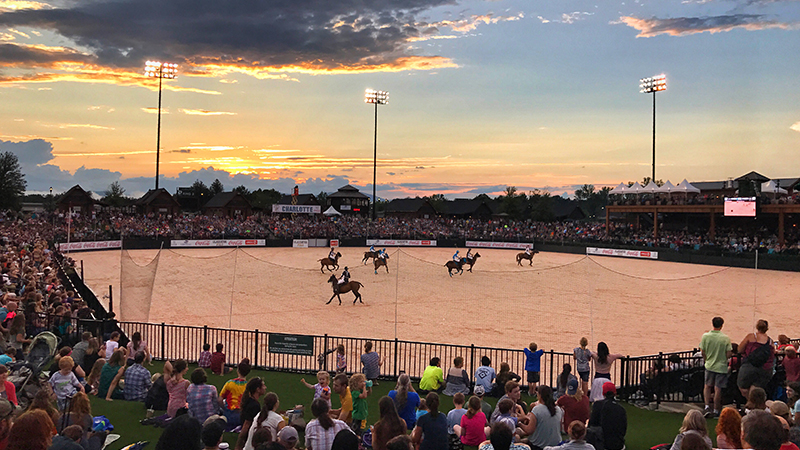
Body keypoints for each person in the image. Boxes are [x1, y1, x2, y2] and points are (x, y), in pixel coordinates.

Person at [699, 316, 732, 418]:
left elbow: (702, 351)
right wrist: (723, 359)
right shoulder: (725, 338)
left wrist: (706, 359)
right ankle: (716, 409)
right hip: (721, 366)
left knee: (707, 386)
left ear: (712, 324)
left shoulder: (705, 336)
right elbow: (729, 353)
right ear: (722, 325)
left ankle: (707, 406)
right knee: (718, 389)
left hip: (709, 365)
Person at [738, 319, 775, 397]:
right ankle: (754, 403)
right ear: (767, 328)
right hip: (765, 368)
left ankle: (750, 403)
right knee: (755, 389)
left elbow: (740, 349)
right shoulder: (770, 341)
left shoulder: (751, 336)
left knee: (742, 387)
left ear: (757, 327)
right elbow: (772, 355)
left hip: (749, 366)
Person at [518, 385, 563, 450]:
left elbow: (529, 430)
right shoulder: (558, 409)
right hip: (556, 444)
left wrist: (519, 423)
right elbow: (560, 428)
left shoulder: (537, 409)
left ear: (540, 395)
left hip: (538, 446)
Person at [588, 382, 626, 450]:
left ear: (603, 393)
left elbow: (592, 424)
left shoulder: (597, 405)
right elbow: (623, 429)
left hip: (601, 444)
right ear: (615, 393)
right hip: (618, 444)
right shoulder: (621, 408)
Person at [236, 377, 267, 450]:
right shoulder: (254, 405)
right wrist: (239, 444)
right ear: (258, 389)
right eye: (263, 385)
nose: (265, 387)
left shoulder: (249, 401)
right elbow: (246, 425)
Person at [220, 359, 252, 426]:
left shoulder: (230, 383)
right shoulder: (249, 387)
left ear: (238, 371)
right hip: (242, 416)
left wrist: (224, 409)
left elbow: (219, 399)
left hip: (228, 415)